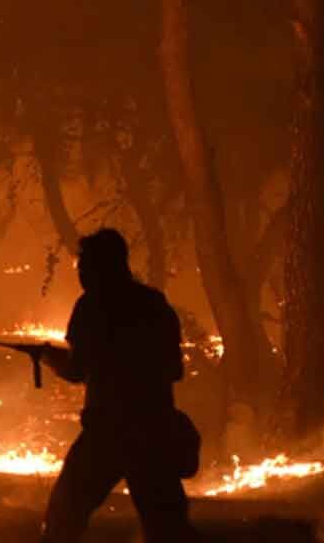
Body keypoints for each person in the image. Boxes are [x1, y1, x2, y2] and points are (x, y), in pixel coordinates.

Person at [40, 228, 200, 542]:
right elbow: (174, 370)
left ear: (103, 266)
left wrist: (47, 357)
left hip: (107, 434)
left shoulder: (91, 306)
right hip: (154, 431)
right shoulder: (154, 303)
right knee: (168, 529)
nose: (81, 275)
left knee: (63, 517)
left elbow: (76, 370)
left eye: (85, 267)